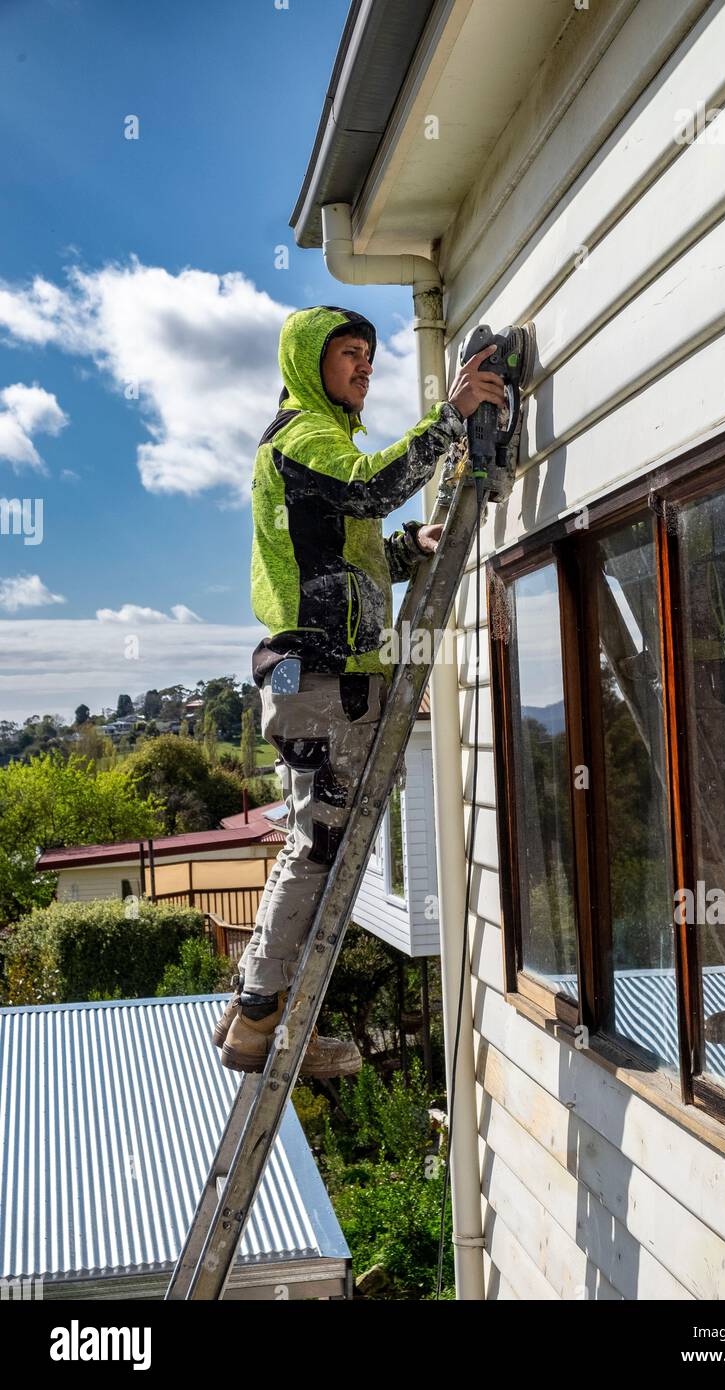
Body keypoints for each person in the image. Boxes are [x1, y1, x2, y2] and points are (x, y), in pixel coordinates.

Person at [213, 305, 505, 1074]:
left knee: (310, 841)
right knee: (320, 847)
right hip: (321, 677)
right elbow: (374, 492)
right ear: (310, 362)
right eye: (349, 355)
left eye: (370, 358)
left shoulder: (326, 445)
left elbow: (348, 556)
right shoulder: (306, 436)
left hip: (311, 672)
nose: (364, 369)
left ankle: (253, 1004)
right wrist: (451, 421)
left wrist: (413, 547)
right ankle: (258, 1019)